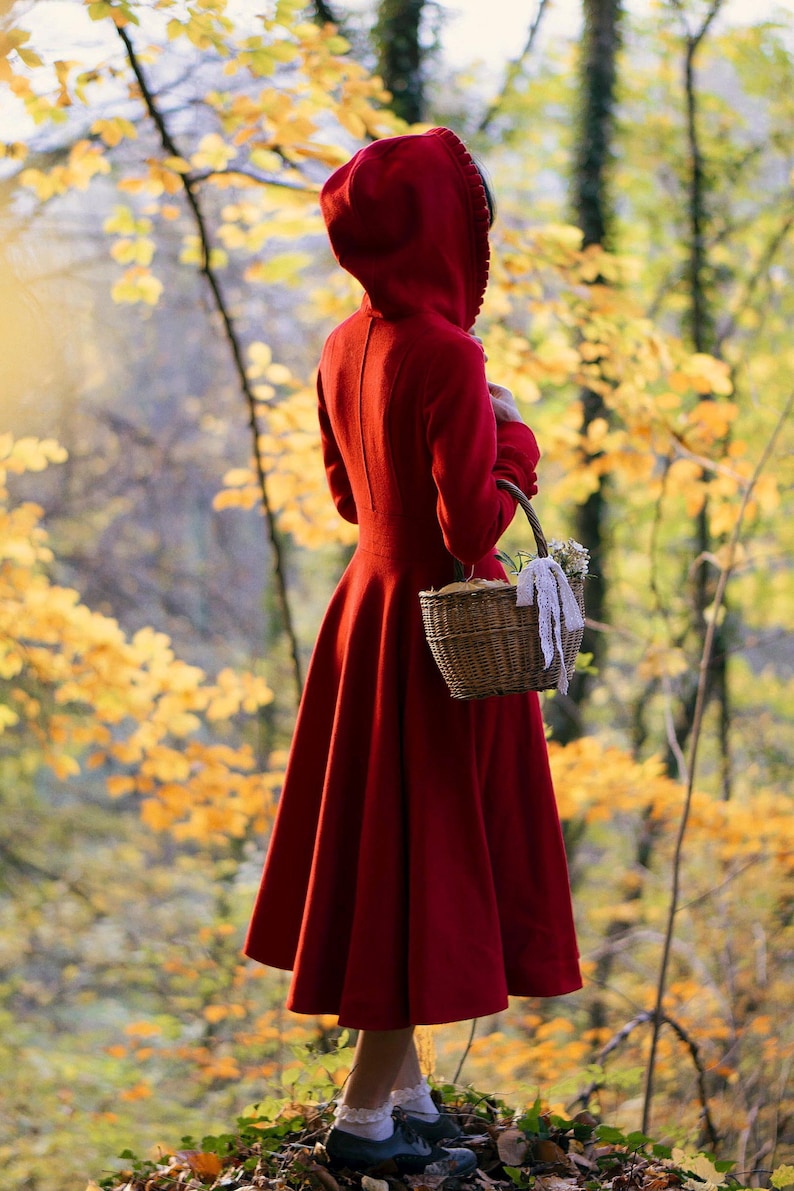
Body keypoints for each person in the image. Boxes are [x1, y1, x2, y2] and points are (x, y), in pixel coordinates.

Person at [244, 127, 581, 1176]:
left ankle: (407, 1090)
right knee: (427, 860)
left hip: (367, 619)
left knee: (400, 858)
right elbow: (471, 528)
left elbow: (350, 500)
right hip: (438, 638)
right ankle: (361, 1120)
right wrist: (513, 434)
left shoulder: (342, 346)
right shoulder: (449, 353)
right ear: (445, 229)